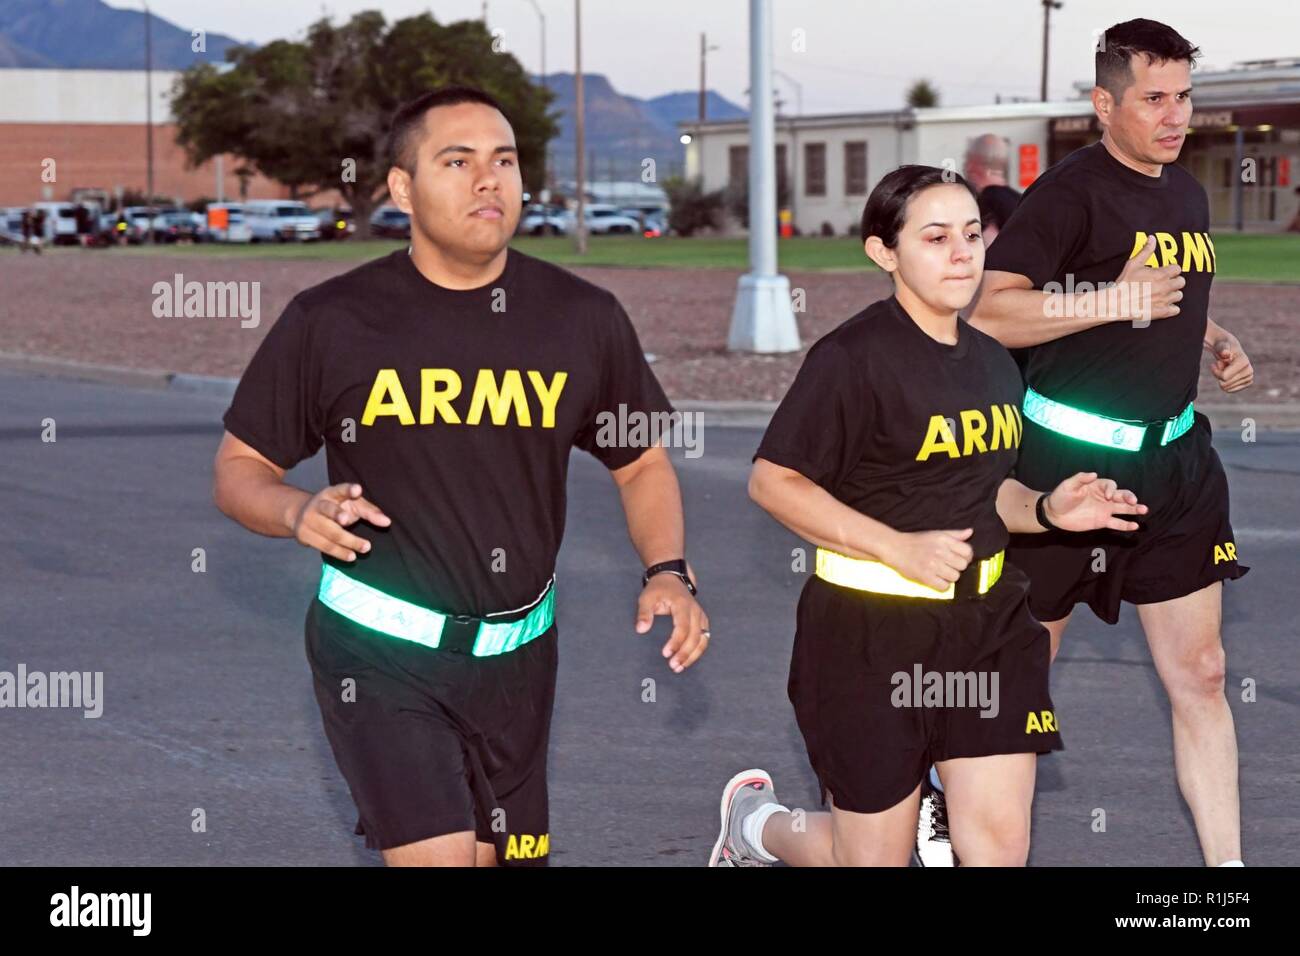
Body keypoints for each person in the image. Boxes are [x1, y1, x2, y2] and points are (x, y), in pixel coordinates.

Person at [213, 85, 710, 867]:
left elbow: (641, 458)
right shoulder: (332, 320)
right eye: (459, 161)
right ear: (403, 189)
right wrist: (293, 509)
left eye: (504, 161)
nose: (490, 180)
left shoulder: (582, 317)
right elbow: (241, 469)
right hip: (379, 653)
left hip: (520, 659)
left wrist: (669, 572)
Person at [708, 165, 1146, 867]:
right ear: (885, 252)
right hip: (869, 634)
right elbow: (774, 481)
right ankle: (756, 828)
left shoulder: (995, 361)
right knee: (869, 858)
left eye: (972, 235)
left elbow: (986, 490)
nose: (962, 253)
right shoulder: (852, 359)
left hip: (991, 629)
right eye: (936, 237)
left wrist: (1047, 509)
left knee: (999, 849)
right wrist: (894, 548)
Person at [970, 18, 1253, 867]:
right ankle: (952, 818)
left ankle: (1225, 886)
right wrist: (1105, 302)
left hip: (1177, 466)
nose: (1176, 117)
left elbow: (1159, 291)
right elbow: (986, 309)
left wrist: (1211, 334)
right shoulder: (1068, 194)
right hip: (1066, 472)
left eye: (1185, 97)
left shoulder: (1184, 191)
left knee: (1201, 673)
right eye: (1154, 99)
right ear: (1104, 103)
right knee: (1022, 686)